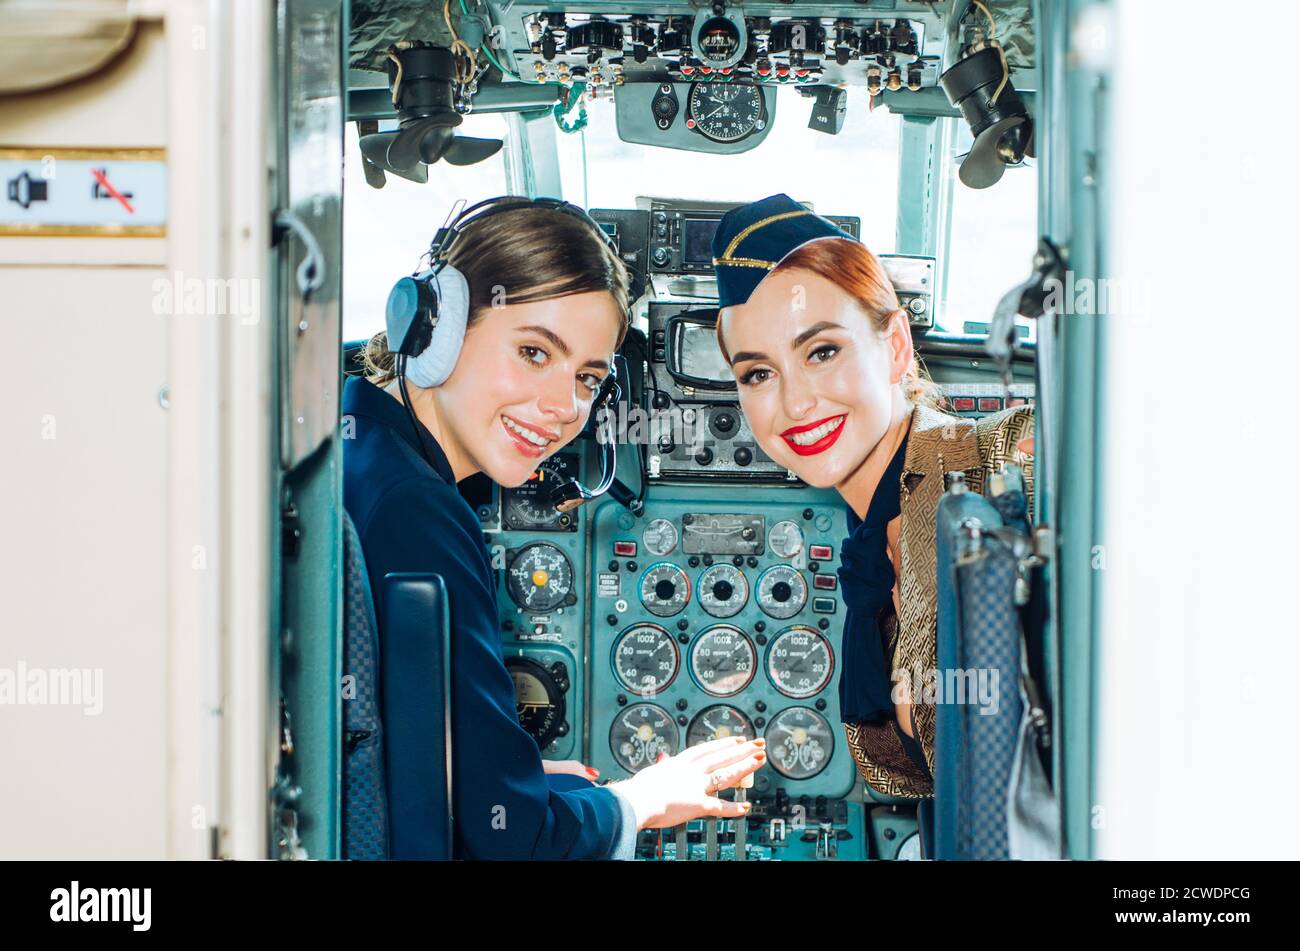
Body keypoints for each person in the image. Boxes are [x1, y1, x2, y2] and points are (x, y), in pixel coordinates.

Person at [346, 197, 765, 860]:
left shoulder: (360, 454)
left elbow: (404, 753)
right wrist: (641, 799)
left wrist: (521, 784)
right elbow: (511, 838)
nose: (563, 407)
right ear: (438, 327)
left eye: (588, 376)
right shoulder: (416, 511)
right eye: (535, 351)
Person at [710, 194, 1033, 805]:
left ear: (896, 347)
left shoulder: (1009, 460)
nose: (796, 403)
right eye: (758, 373)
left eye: (822, 352)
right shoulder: (869, 552)